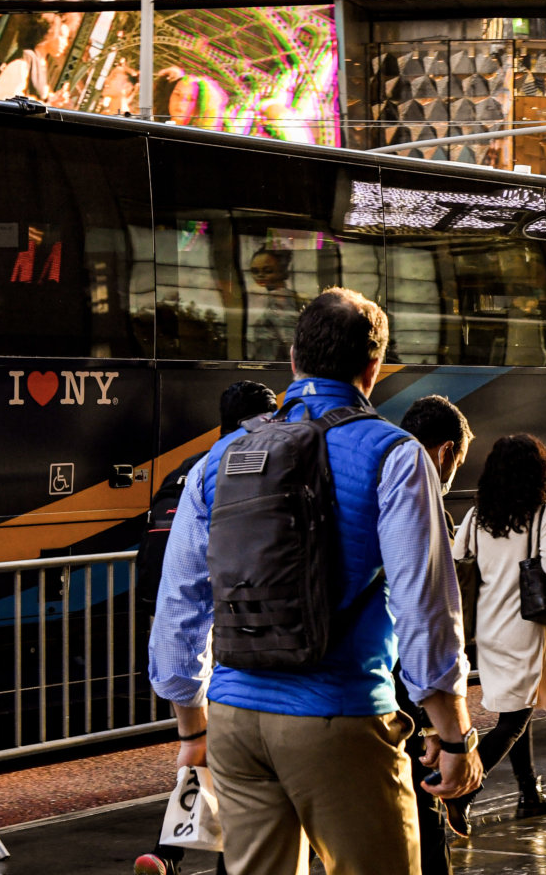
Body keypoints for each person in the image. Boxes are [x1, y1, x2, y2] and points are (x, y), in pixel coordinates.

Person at [148, 288, 482, 875]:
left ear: (294, 359)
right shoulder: (395, 455)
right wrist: (454, 734)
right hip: (340, 717)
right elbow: (424, 605)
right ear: (373, 367)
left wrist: (192, 729)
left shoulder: (219, 459)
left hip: (233, 723)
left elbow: (180, 603)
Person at [134, 381, 276, 875]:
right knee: (243, 769)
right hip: (238, 644)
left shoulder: (189, 471)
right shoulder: (248, 471)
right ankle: (174, 854)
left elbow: (178, 589)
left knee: (205, 751)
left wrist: (184, 698)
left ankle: (166, 854)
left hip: (185, 638)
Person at [445, 433, 546, 837]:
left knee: (516, 709)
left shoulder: (477, 515)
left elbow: (457, 557)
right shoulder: (543, 515)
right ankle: (463, 791)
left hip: (487, 628)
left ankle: (529, 792)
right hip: (525, 627)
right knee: (515, 719)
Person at [396, 394, 475, 875]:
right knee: (420, 817)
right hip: (391, 700)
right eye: (457, 463)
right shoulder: (421, 503)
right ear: (445, 452)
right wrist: (449, 733)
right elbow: (425, 615)